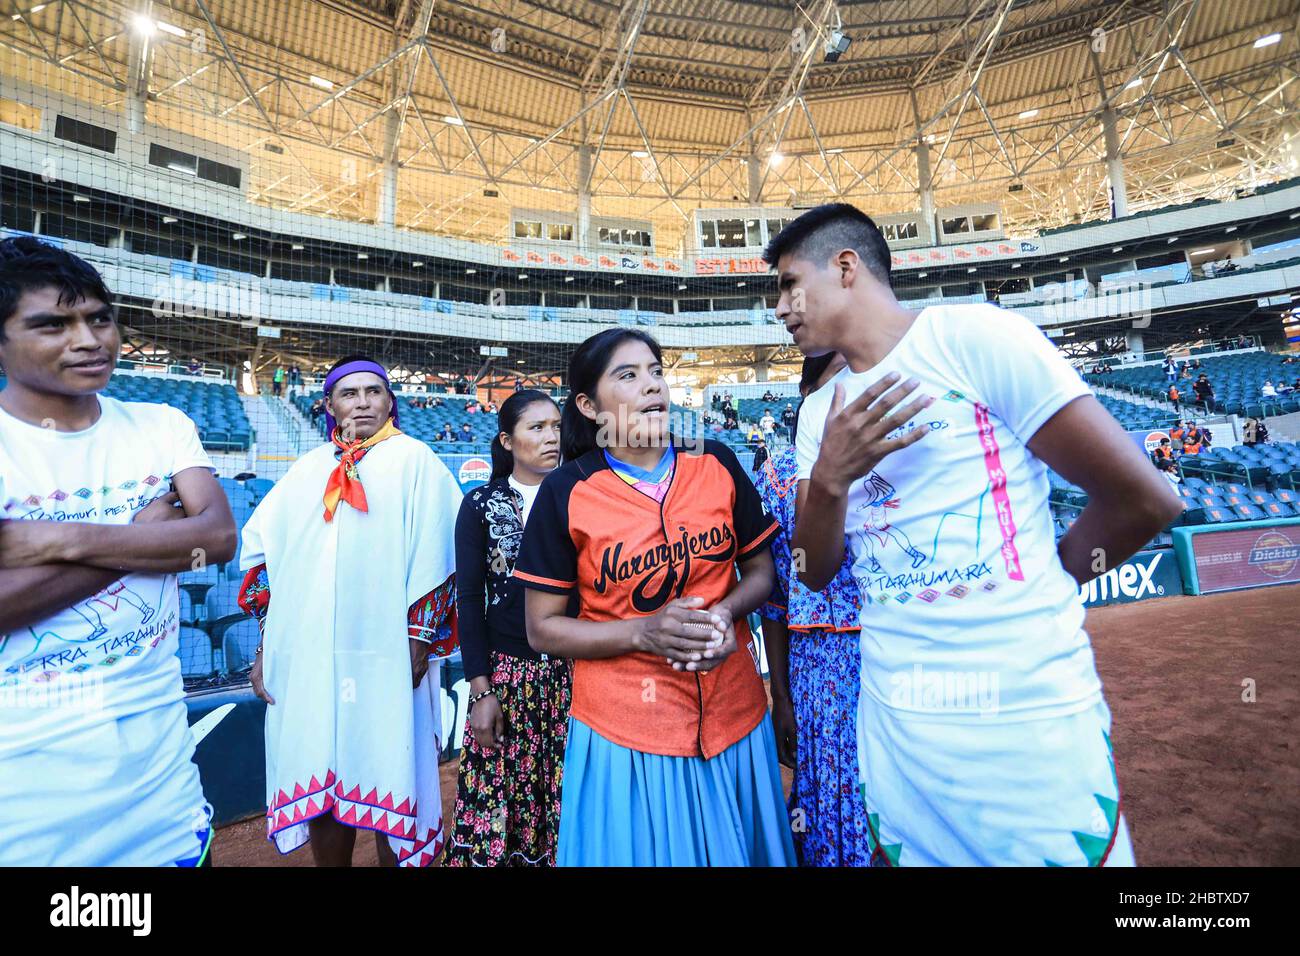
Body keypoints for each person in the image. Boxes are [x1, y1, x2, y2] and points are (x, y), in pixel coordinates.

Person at [768, 203, 1182, 866]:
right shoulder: (820, 409)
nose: (781, 307)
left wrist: (1041, 582)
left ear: (846, 267)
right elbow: (813, 571)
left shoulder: (976, 339)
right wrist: (832, 478)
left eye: (790, 283)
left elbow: (1143, 499)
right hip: (897, 722)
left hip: (1023, 711)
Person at [514, 328, 795, 867]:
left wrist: (723, 613)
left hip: (735, 711)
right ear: (588, 406)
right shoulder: (566, 490)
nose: (652, 387)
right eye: (628, 375)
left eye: (657, 372)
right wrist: (643, 631)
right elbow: (542, 628)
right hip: (628, 728)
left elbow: (761, 573)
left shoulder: (715, 461)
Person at [0, 236, 236, 865]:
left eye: (99, 318)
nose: (89, 339)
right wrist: (148, 532)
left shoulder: (160, 425)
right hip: (24, 808)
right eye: (52, 324)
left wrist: (56, 539)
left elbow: (214, 540)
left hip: (165, 796)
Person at [236, 356, 460, 867]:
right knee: (323, 768)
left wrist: (418, 640)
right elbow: (267, 562)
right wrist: (269, 648)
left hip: (386, 652)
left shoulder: (416, 460)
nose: (362, 401)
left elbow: (437, 552)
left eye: (374, 392)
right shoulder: (305, 472)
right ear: (329, 405)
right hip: (312, 654)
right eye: (349, 393)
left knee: (390, 765)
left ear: (390, 402)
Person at [756, 351, 872, 867]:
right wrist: (780, 694)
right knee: (833, 794)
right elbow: (775, 600)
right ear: (807, 401)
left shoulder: (904, 450)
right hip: (823, 662)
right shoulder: (778, 478)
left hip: (912, 644)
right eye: (833, 387)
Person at [446, 390, 570, 867]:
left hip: (574, 679)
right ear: (507, 439)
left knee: (567, 803)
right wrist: (480, 691)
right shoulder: (480, 504)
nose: (550, 437)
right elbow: (469, 601)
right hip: (507, 679)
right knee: (503, 813)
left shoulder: (583, 493)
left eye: (556, 426)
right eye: (536, 427)